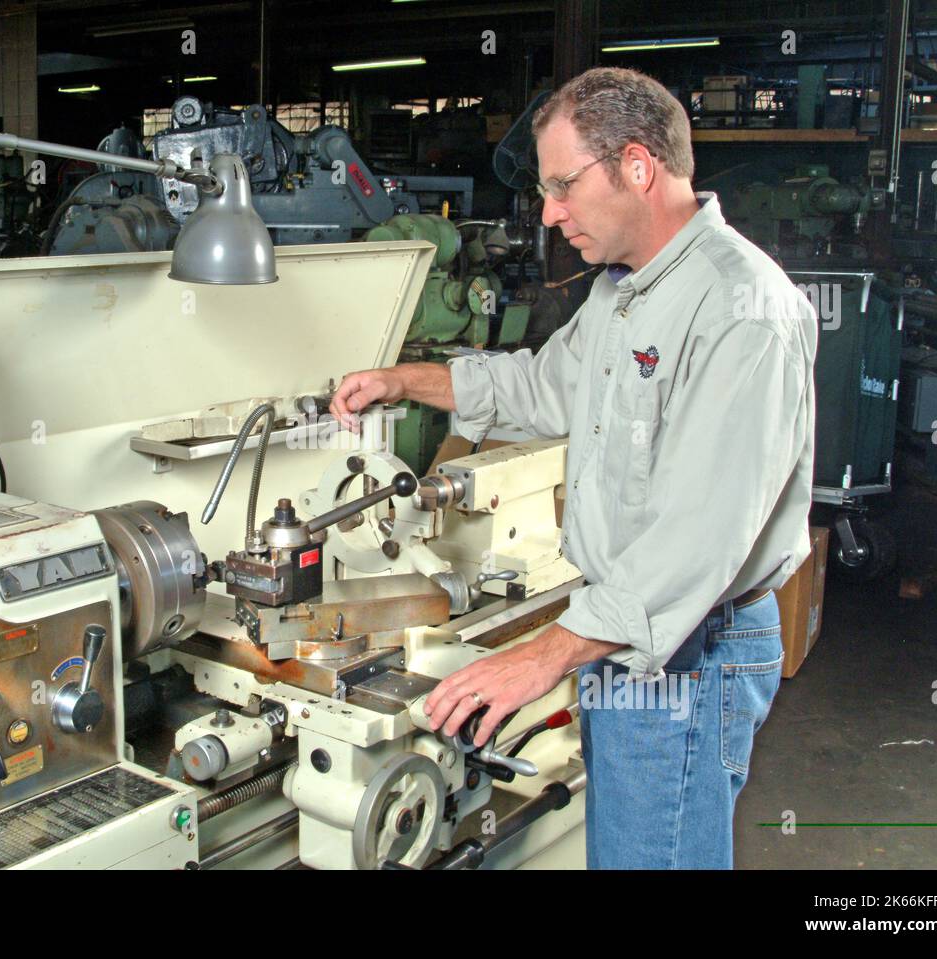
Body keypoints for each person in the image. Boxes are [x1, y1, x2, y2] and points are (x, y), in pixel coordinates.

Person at [329, 67, 817, 869]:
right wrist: (402, 380)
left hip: (692, 651)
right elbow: (544, 385)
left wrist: (538, 656)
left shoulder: (742, 311)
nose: (550, 214)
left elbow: (698, 540)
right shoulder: (623, 293)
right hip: (623, 632)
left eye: (563, 185)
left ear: (637, 166)